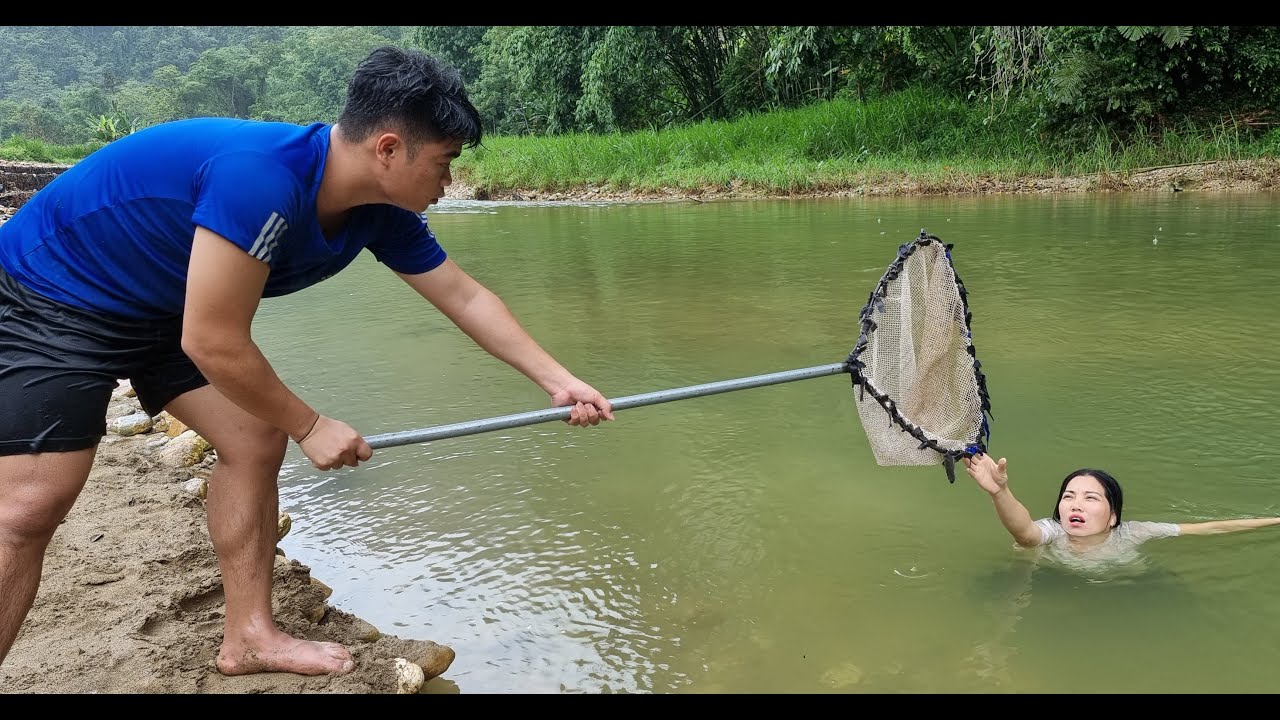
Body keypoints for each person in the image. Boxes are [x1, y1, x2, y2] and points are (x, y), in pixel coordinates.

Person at [0, 46, 615, 677]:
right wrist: (313, 425)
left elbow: (462, 295)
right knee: (32, 503)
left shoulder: (380, 211)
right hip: (53, 291)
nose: (449, 183)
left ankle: (249, 637)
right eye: (444, 163)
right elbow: (213, 340)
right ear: (387, 149)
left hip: (161, 306)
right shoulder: (261, 180)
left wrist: (559, 381)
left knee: (254, 436)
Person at [962, 453, 1280, 566]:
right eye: (1069, 496)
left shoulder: (1134, 533)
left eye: (1091, 498)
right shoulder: (1053, 532)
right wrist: (1001, 492)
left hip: (1126, 587)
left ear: (1113, 517)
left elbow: (1209, 529)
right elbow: (1025, 532)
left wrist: (1275, 520)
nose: (1076, 504)